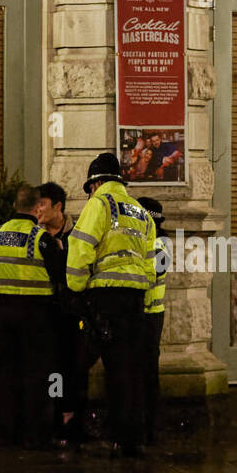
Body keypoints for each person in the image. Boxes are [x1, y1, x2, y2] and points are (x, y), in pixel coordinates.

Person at [66, 152, 156, 457]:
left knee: (102, 366)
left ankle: (103, 432)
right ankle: (134, 435)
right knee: (131, 368)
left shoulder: (101, 204)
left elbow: (81, 247)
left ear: (96, 182)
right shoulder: (140, 211)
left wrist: (76, 288)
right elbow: (150, 262)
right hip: (135, 299)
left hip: (106, 297)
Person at [0, 184, 64, 449]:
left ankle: (5, 432)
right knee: (36, 375)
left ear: (14, 205)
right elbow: (59, 275)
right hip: (35, 315)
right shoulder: (41, 238)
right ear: (37, 207)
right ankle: (35, 435)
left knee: (4, 373)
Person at [35, 181, 87, 445]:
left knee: (72, 366)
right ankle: (54, 418)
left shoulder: (77, 234)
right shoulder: (35, 234)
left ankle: (71, 418)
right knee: (51, 367)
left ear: (58, 207)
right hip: (44, 312)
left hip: (72, 312)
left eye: (42, 204)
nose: (38, 210)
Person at [138, 197, 170, 444]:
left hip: (148, 317)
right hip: (140, 315)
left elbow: (155, 270)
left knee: (146, 374)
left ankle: (148, 427)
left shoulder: (160, 244)